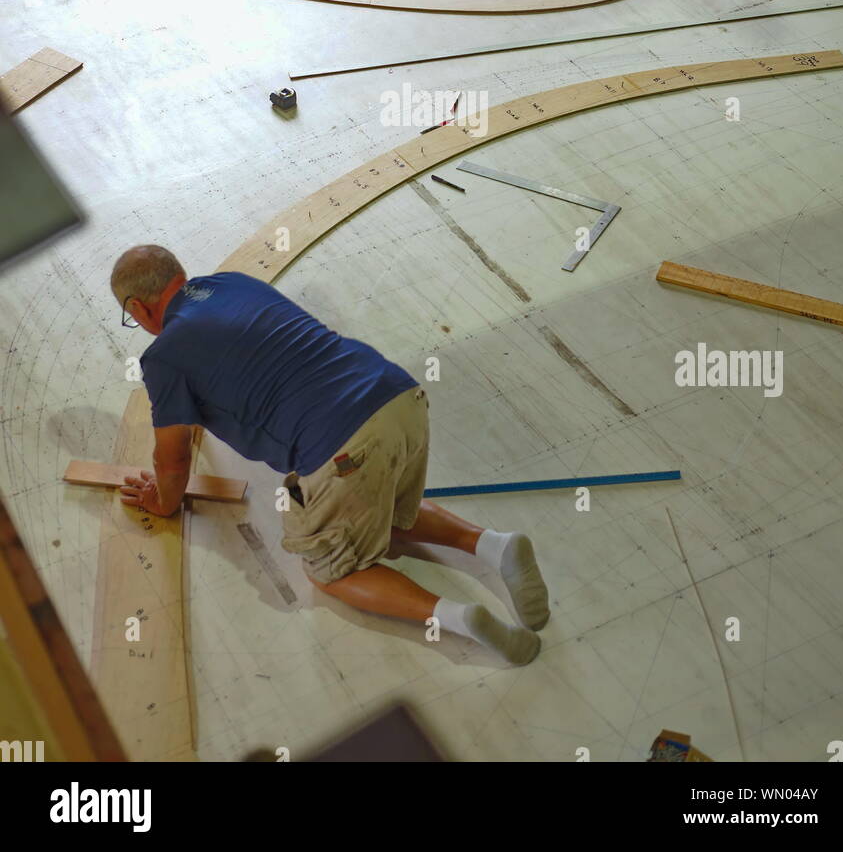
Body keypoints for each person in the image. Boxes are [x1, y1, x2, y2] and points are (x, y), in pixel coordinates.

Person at [112, 245, 549, 665]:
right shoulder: (233, 283)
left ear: (137, 308)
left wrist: (162, 502)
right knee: (383, 512)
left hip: (343, 448)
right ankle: (494, 546)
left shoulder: (164, 358)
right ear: (179, 275)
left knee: (330, 571)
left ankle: (459, 618)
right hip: (398, 396)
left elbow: (172, 461)